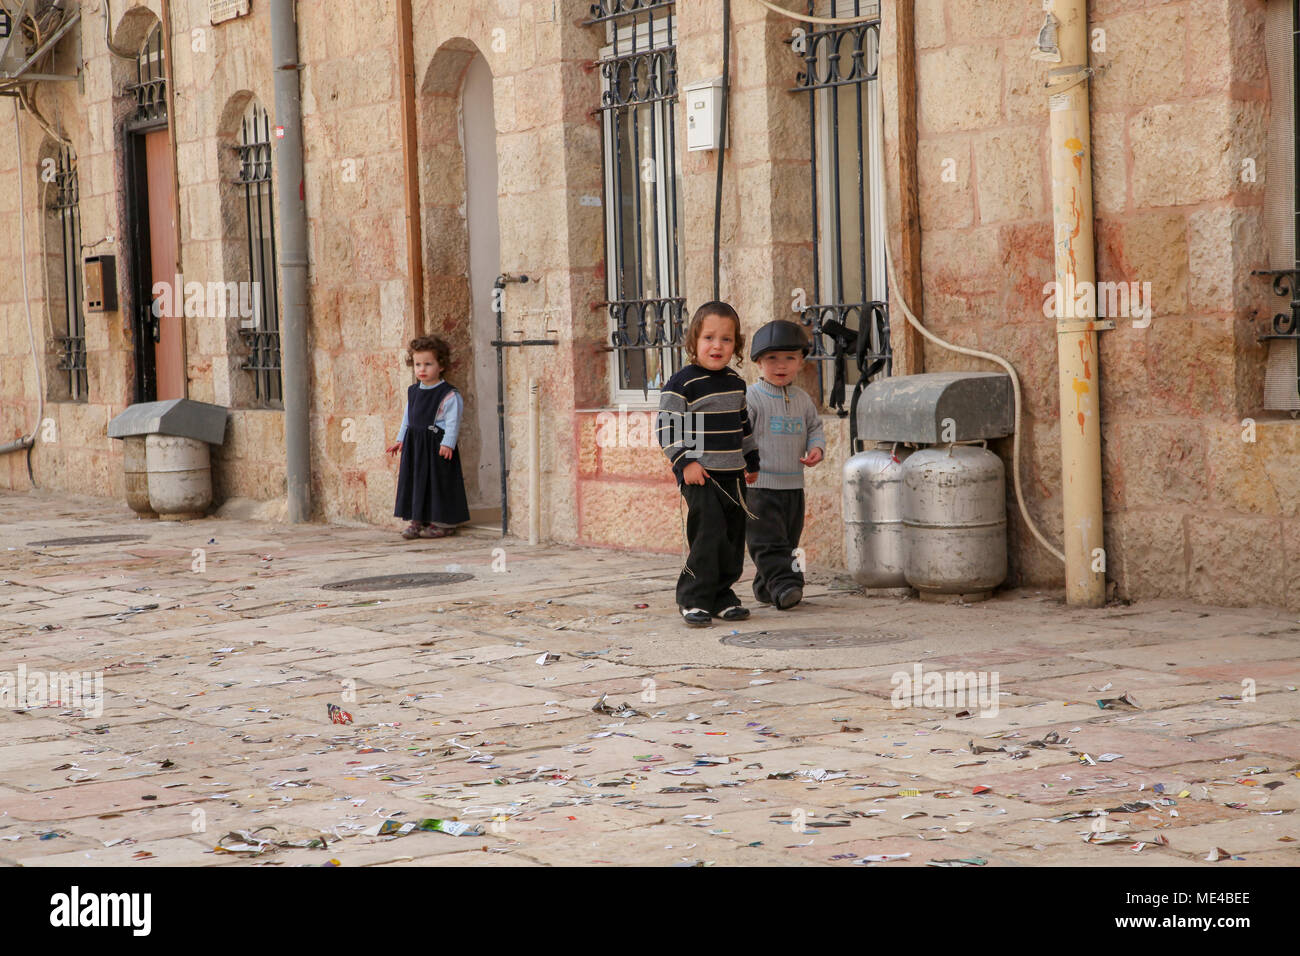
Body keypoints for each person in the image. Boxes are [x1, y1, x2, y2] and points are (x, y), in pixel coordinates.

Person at [657, 301, 759, 627]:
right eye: (709, 338)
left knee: (732, 536)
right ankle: (693, 597)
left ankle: (722, 594)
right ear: (694, 341)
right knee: (708, 532)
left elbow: (744, 428)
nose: (717, 346)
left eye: (726, 339)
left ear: (736, 345)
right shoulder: (682, 383)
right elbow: (666, 427)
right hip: (699, 474)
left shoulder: (735, 383)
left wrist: (751, 460)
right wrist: (685, 461)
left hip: (733, 475)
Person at [745, 320, 824, 609]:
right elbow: (741, 435)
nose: (781, 366)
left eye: (790, 358)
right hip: (759, 486)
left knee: (790, 541)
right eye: (772, 359)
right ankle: (786, 586)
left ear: (801, 362)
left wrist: (817, 448)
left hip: (793, 485)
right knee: (767, 542)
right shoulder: (752, 398)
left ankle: (767, 586)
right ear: (758, 362)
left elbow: (815, 427)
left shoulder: (803, 400)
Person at [386, 335, 471, 538]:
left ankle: (443, 522)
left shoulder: (449, 395)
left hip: (436, 445)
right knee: (416, 481)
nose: (422, 369)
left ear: (441, 365)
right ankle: (417, 519)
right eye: (417, 364)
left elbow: (452, 422)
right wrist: (400, 439)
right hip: (415, 444)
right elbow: (408, 417)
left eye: (428, 364)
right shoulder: (413, 391)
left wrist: (448, 443)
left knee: (437, 482)